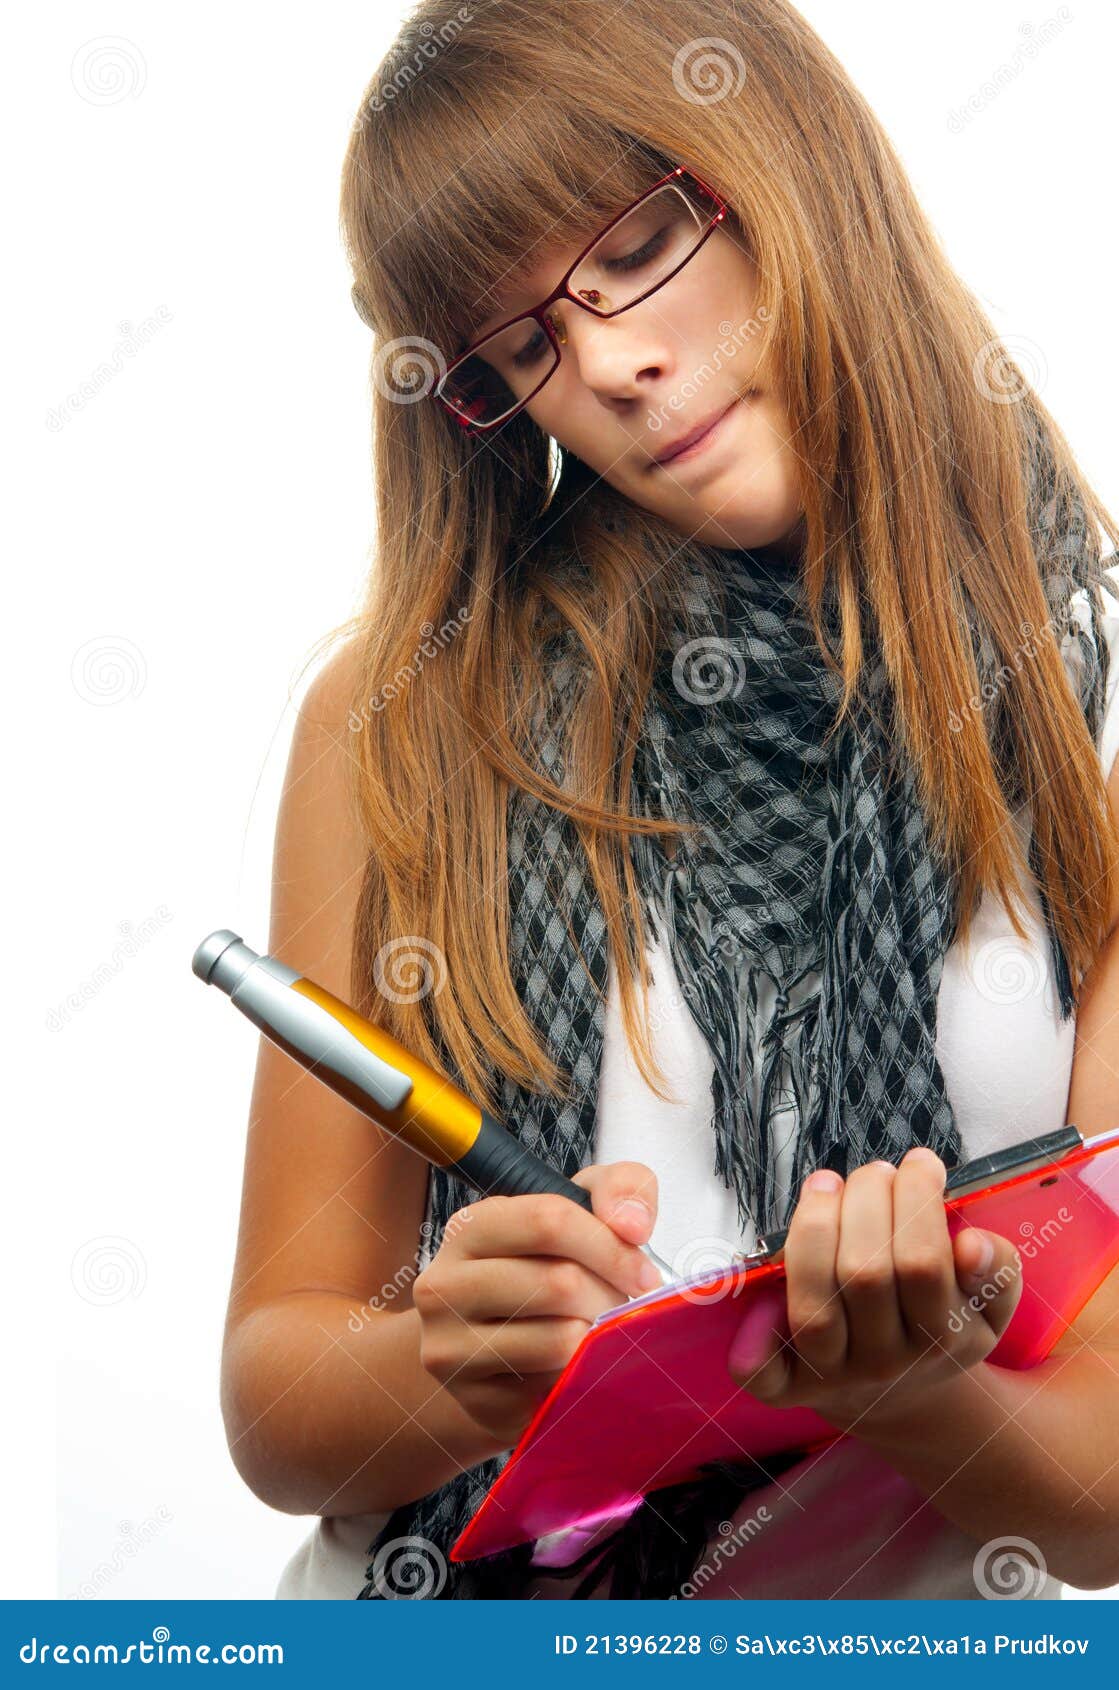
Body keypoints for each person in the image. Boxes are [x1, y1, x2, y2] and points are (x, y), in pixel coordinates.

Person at [219, 0, 1119, 1600]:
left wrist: (896, 1383)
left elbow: (1105, 1483)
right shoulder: (402, 715)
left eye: (634, 249)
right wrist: (451, 1358)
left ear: (785, 158)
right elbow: (279, 1398)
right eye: (521, 353)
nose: (612, 370)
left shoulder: (1094, 703)